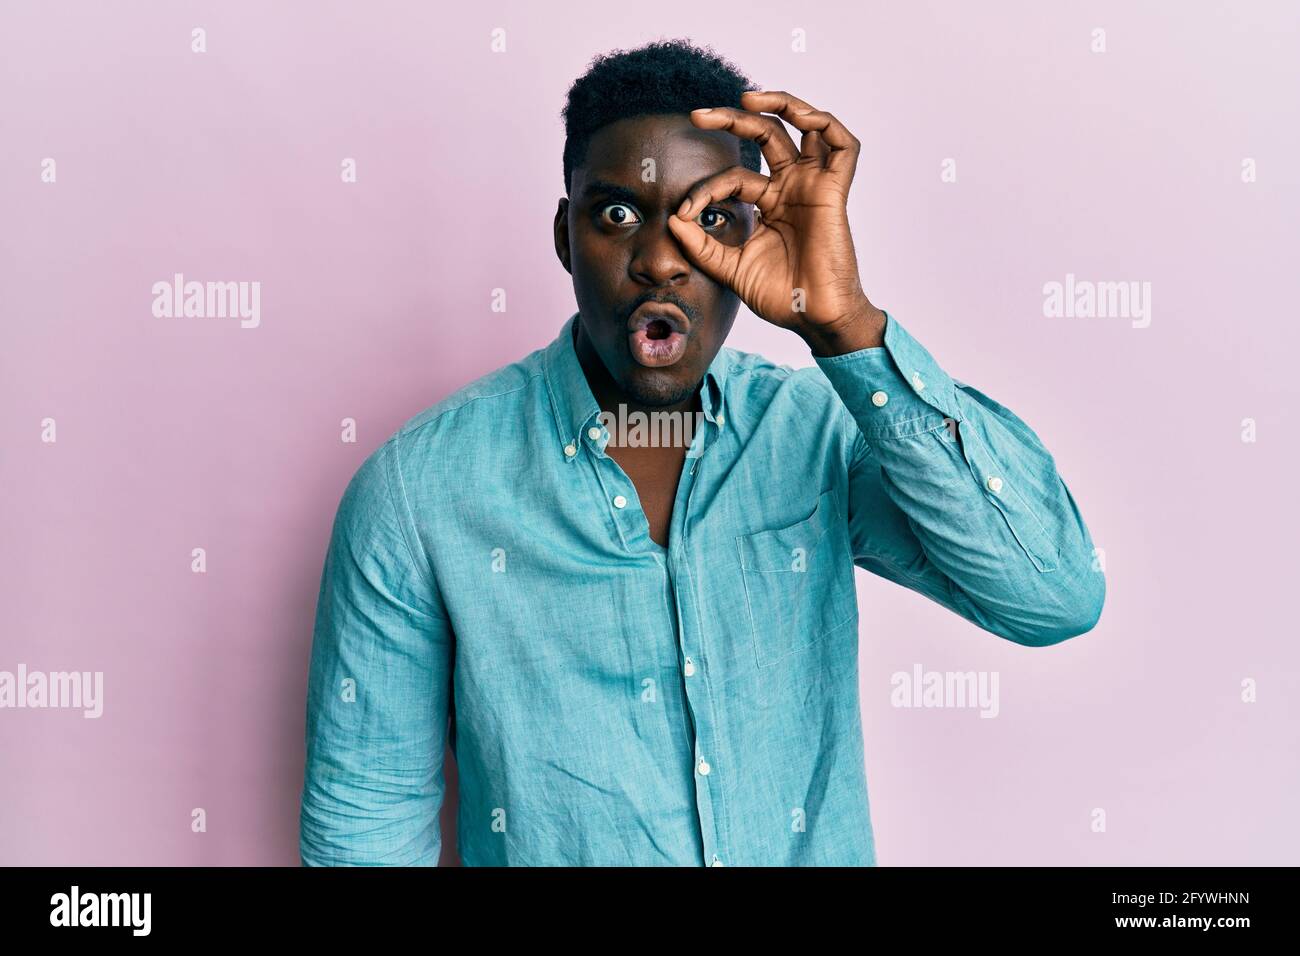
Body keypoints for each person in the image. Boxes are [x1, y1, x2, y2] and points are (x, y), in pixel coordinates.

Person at [299, 38, 1105, 867]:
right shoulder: (418, 490)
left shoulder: (819, 433)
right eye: (616, 216)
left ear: (759, 235)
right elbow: (366, 827)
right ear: (564, 238)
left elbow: (1053, 596)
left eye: (710, 217)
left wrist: (844, 326)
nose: (658, 260)